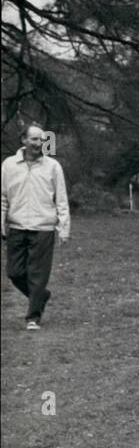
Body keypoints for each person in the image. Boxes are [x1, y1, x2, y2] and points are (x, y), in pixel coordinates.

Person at [1, 122, 69, 331]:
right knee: (14, 272)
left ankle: (33, 317)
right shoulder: (9, 165)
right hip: (17, 225)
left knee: (37, 274)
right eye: (34, 139)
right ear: (24, 140)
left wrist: (64, 228)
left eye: (42, 139)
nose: (38, 143)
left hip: (43, 228)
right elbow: (2, 197)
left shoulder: (52, 167)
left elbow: (61, 200)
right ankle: (41, 296)